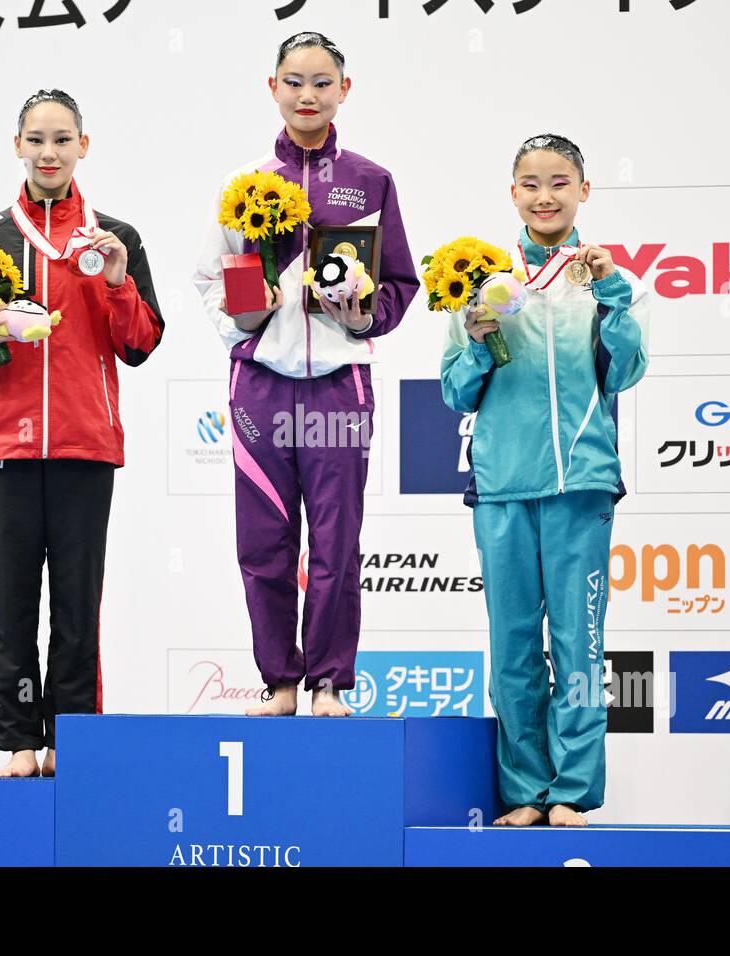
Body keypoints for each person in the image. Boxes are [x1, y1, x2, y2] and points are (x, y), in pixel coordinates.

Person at [193, 32, 419, 717]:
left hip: (339, 384)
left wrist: (359, 316)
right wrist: (247, 314)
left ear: (344, 90)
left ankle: (328, 682)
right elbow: (210, 280)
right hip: (260, 382)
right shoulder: (245, 186)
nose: (307, 94)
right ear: (273, 88)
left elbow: (399, 285)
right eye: (294, 81)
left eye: (322, 82)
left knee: (335, 539)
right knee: (263, 542)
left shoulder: (371, 181)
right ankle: (279, 682)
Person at [0, 89, 164, 776]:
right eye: (36, 139)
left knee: (76, 602)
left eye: (62, 139)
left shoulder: (112, 237)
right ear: (16, 146)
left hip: (85, 446)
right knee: (11, 600)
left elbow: (141, 342)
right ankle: (14, 737)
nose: (48, 152)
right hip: (7, 446)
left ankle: (71, 737)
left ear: (83, 147)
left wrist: (120, 281)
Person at [440, 134, 649, 825]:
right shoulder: (479, 278)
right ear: (512, 194)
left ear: (584, 191)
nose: (545, 195)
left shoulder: (604, 278)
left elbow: (627, 370)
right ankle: (526, 791)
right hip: (501, 486)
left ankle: (572, 794)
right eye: (530, 183)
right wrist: (474, 336)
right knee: (513, 652)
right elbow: (456, 392)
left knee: (580, 648)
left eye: (559, 182)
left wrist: (614, 290)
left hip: (582, 483)